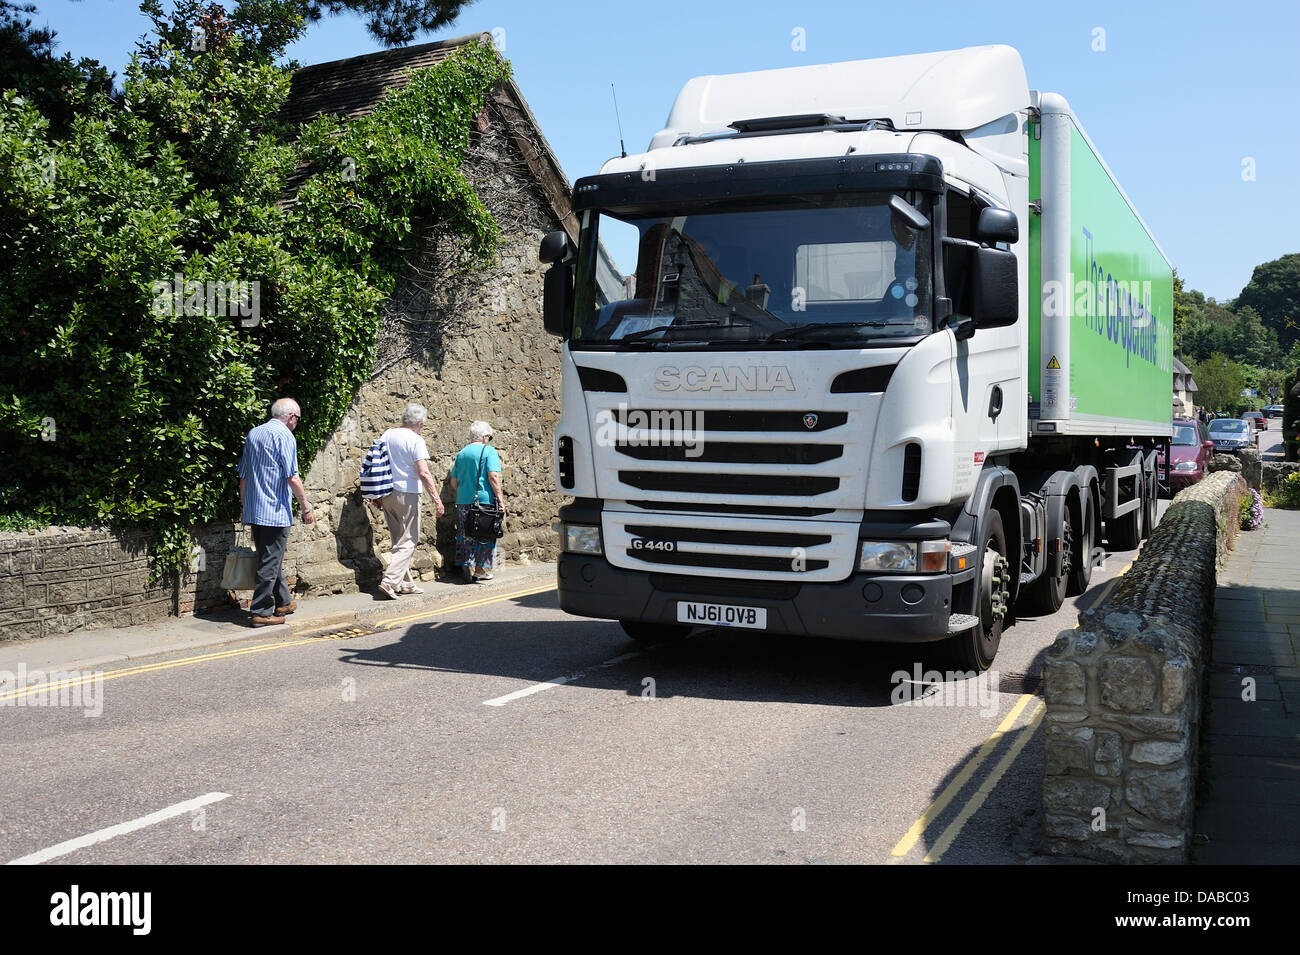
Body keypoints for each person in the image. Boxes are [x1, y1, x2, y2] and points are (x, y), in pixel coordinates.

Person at [238, 398, 314, 626]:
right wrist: (305, 505)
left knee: (270, 557)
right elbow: (292, 477)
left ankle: (283, 601)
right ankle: (260, 611)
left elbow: (243, 475)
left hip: (254, 508)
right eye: (297, 419)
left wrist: (243, 506)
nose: (296, 424)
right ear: (291, 417)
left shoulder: (254, 434)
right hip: (275, 510)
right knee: (269, 561)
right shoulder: (285, 436)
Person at [377, 403, 446, 600]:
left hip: (387, 493)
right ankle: (389, 581)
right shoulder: (416, 439)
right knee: (409, 540)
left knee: (399, 540)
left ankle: (405, 584)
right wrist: (436, 500)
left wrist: (376, 494)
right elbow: (423, 472)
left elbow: (376, 461)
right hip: (407, 493)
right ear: (419, 422)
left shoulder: (388, 434)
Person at [449, 420, 505, 583]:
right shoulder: (489, 451)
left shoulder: (462, 453)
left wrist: (464, 493)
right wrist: (500, 500)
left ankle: (466, 563)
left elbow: (453, 483)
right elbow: (493, 477)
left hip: (463, 501)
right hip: (484, 501)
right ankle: (480, 569)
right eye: (490, 437)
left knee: (465, 533)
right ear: (485, 436)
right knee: (485, 533)